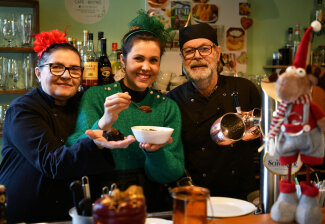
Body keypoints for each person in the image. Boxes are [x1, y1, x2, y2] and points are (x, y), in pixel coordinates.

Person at [0, 29, 134, 223]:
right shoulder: (23, 110)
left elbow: (102, 138)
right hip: (26, 215)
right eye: (56, 67)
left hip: (73, 213)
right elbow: (53, 163)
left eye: (74, 69)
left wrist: (114, 136)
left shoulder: (84, 102)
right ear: (38, 72)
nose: (65, 75)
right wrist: (96, 142)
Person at [67, 10, 184, 212]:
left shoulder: (167, 107)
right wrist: (104, 121)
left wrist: (155, 152)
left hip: (151, 204)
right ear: (123, 59)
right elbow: (75, 149)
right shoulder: (96, 97)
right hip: (103, 198)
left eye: (153, 60)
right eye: (138, 58)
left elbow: (171, 173)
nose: (146, 67)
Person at [167, 23, 261, 200]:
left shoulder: (245, 90)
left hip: (242, 196)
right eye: (189, 51)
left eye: (204, 49)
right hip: (196, 196)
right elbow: (172, 156)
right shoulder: (173, 100)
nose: (197, 56)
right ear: (182, 57)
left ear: (217, 53)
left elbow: (266, 140)